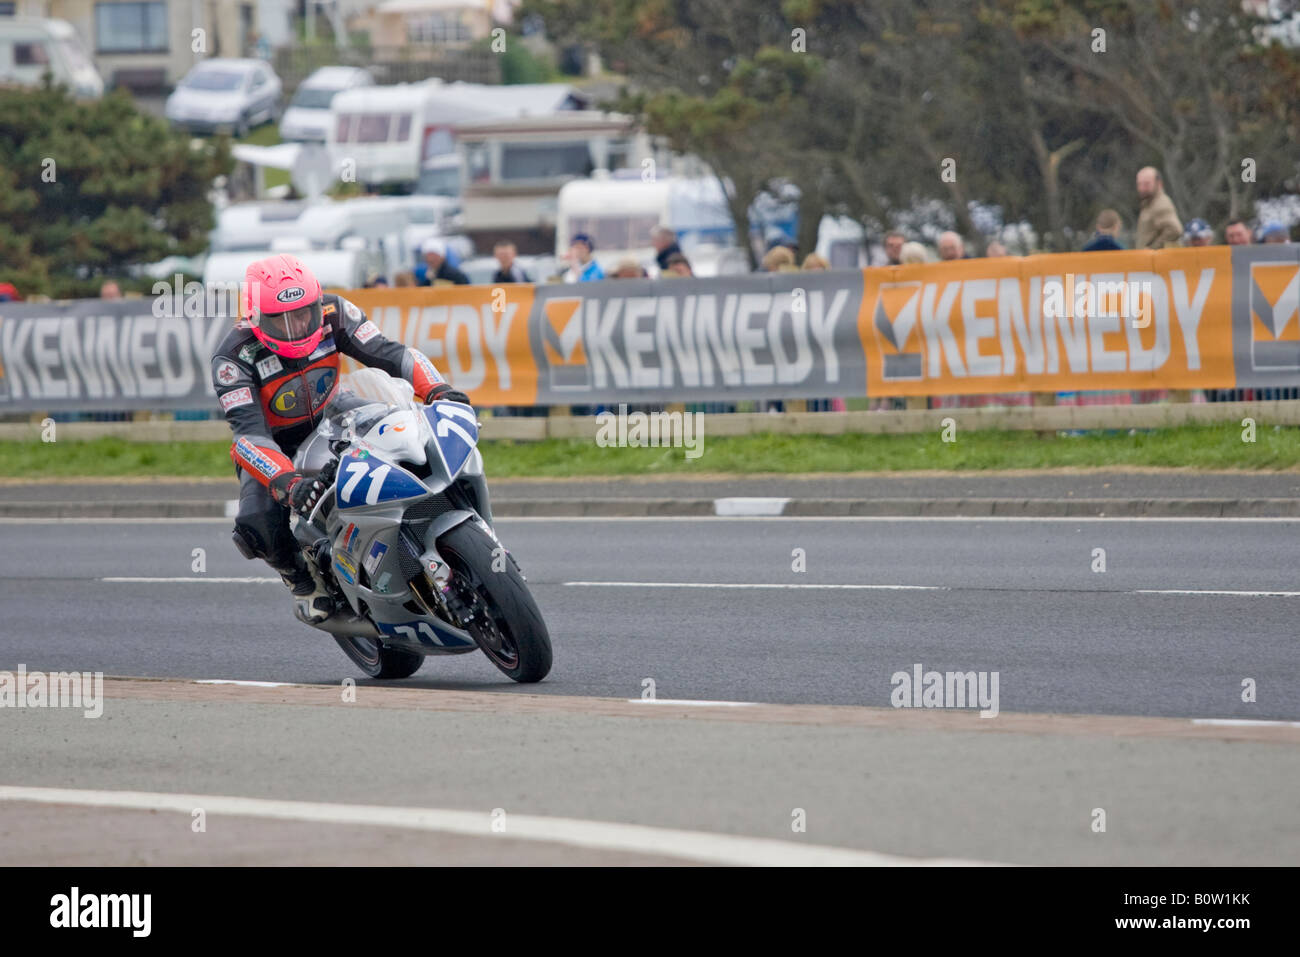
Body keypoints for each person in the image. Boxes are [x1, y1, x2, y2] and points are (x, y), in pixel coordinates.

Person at [212, 254, 470, 624]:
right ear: (254, 317)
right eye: (281, 319)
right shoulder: (232, 357)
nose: (298, 326)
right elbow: (249, 434)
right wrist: (288, 483)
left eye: (305, 313)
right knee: (254, 522)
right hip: (274, 443)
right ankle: (300, 580)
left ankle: (455, 517)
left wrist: (438, 389)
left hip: (336, 410)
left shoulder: (335, 310)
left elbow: (389, 353)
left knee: (414, 441)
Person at [1135, 166, 1183, 249]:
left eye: (1146, 184)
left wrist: (1153, 249)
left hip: (1157, 260)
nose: (1142, 188)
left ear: (1159, 184)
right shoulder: (1149, 204)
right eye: (1139, 184)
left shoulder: (1160, 204)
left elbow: (1175, 230)